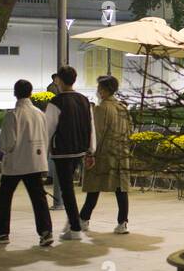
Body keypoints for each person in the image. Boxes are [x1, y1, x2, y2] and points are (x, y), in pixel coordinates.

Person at [0, 79, 53, 247]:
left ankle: (2, 232)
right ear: (30, 93)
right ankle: (46, 232)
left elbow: (7, 143)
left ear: (15, 93)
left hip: (15, 164)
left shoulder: (13, 114)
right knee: (39, 199)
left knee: (4, 198)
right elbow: (46, 137)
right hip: (35, 162)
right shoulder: (40, 113)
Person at [44, 65, 95, 241]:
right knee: (68, 189)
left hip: (62, 150)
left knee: (67, 190)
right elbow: (91, 127)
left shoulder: (56, 102)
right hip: (79, 149)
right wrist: (90, 150)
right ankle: (72, 224)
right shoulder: (84, 100)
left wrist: (43, 152)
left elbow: (47, 129)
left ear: (58, 80)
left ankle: (74, 227)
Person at [80, 76, 132, 234]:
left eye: (99, 87)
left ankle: (83, 219)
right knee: (121, 189)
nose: (98, 90)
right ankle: (122, 222)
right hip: (121, 153)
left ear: (103, 90)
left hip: (104, 154)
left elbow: (97, 133)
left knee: (94, 186)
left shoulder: (102, 108)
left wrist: (90, 153)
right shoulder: (122, 107)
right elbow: (129, 131)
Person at [45, 72, 65, 210]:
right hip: (66, 146)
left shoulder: (57, 100)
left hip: (60, 146)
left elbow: (49, 127)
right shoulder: (52, 89)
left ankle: (60, 203)